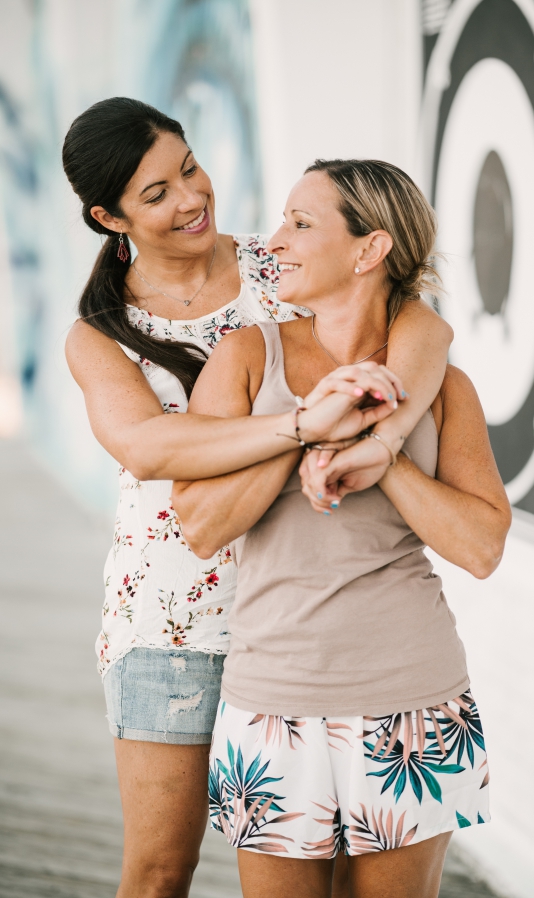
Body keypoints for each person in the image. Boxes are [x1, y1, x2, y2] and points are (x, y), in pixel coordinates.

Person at [62, 97, 452, 898]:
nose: (192, 197)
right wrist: (306, 423)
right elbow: (149, 447)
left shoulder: (284, 264)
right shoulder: (101, 331)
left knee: (335, 869)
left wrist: (380, 436)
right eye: (157, 193)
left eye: (189, 167)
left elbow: (421, 330)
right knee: (161, 867)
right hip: (173, 618)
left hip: (311, 613)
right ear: (109, 218)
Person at [171, 158, 511, 898]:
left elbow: (481, 547)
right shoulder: (245, 358)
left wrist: (379, 447)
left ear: (368, 250)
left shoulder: (440, 385)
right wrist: (305, 429)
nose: (274, 240)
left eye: (300, 222)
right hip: (272, 697)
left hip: (413, 700)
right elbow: (199, 526)